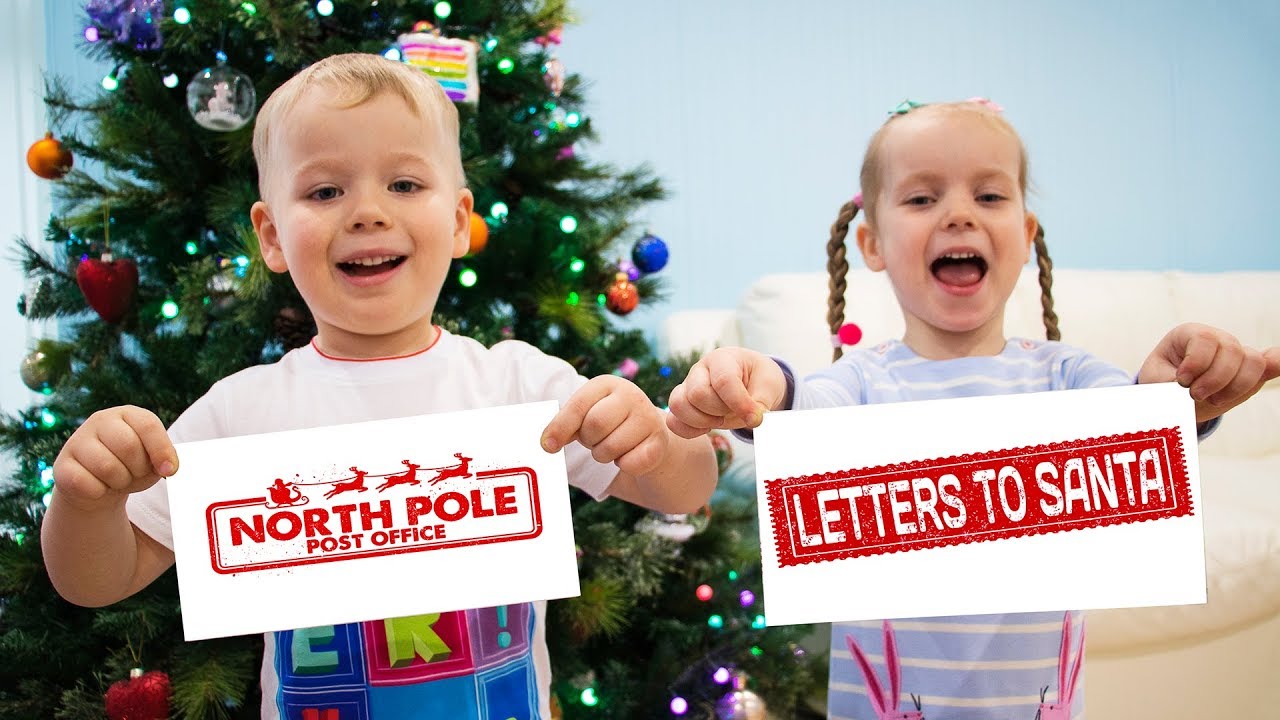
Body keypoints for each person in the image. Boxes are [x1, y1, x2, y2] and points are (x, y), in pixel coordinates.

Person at [42, 53, 717, 719]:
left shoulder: (519, 385)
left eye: (403, 185)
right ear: (272, 237)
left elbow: (687, 489)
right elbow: (96, 581)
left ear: (458, 222)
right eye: (324, 191)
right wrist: (85, 499)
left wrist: (655, 444)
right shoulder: (240, 413)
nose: (367, 212)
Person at [665, 99, 1280, 719]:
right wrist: (761, 384)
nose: (959, 214)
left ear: (1027, 233)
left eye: (989, 196)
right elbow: (802, 407)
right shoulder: (860, 383)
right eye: (921, 198)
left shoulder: (1067, 376)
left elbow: (1135, 420)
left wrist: (1174, 394)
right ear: (872, 244)